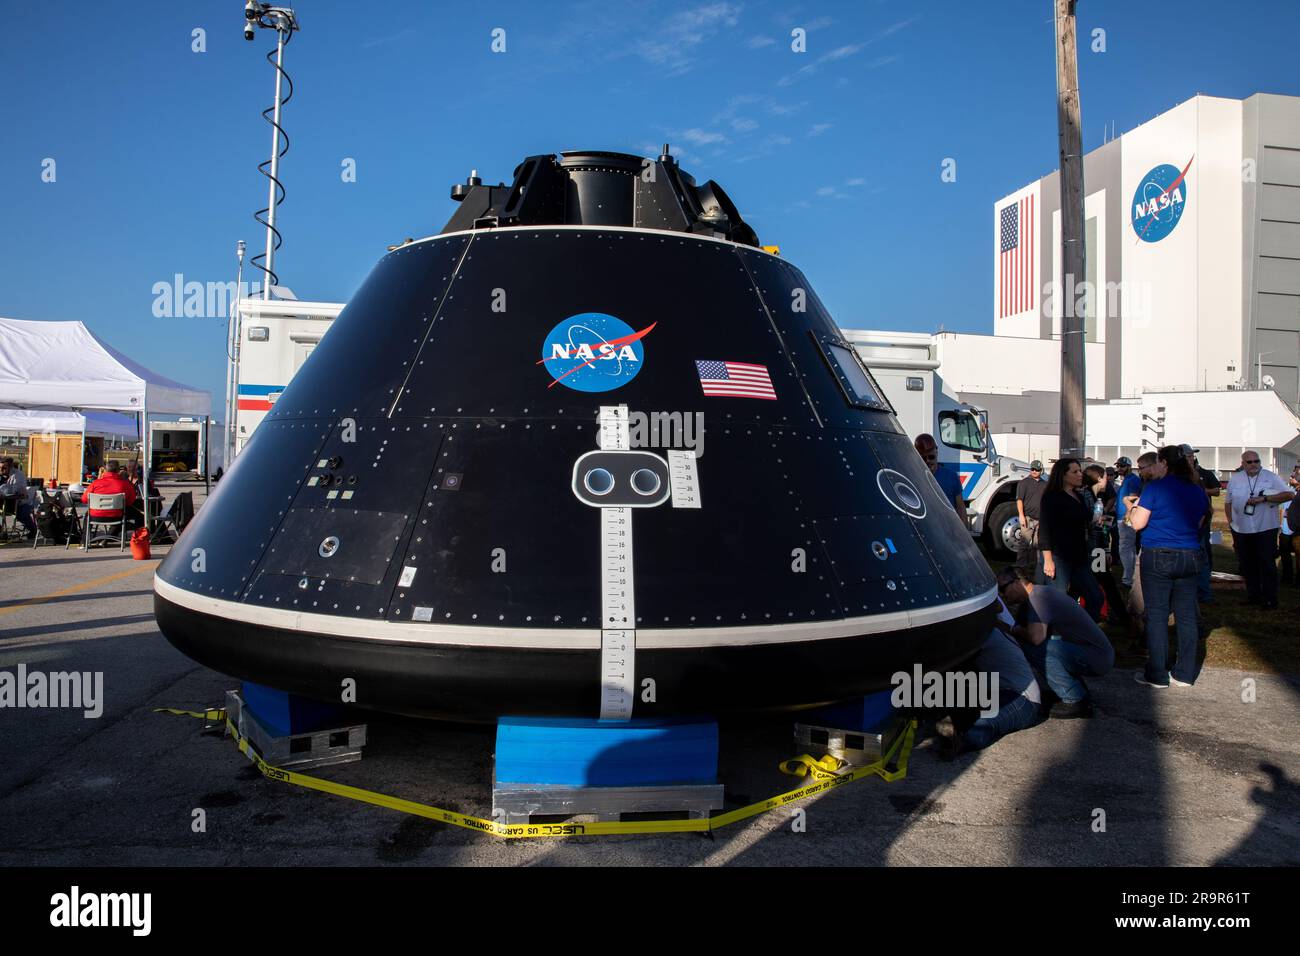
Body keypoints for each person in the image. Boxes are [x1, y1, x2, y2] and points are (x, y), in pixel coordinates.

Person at [1128, 446, 1207, 687]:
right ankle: (1184, 673)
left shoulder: (1155, 488)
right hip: (1190, 554)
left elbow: (1138, 524)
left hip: (1159, 554)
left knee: (1158, 615)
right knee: (1185, 616)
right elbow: (1200, 521)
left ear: (1163, 463)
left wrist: (1132, 507)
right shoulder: (1197, 490)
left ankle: (1157, 673)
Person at [996, 566, 1114, 718]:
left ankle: (1075, 699)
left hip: (1097, 657)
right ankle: (1075, 690)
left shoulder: (1038, 599)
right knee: (1044, 645)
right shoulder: (1037, 596)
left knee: (1035, 648)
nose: (1003, 595)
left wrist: (1011, 628)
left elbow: (1035, 638)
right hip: (1094, 653)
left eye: (1002, 589)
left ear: (1017, 583)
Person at [940, 595, 1047, 755]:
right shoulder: (989, 630)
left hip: (1024, 701)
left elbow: (951, 663)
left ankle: (962, 741)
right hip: (1003, 692)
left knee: (979, 728)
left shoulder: (983, 635)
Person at [1224, 451, 1294, 610]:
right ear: (1243, 463)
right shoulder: (1235, 479)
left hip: (1265, 527)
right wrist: (1231, 523)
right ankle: (1253, 595)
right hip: (1242, 529)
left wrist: (1265, 498)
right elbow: (1227, 503)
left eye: (1256, 461)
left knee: (1267, 563)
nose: (1253, 464)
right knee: (1247, 564)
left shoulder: (1271, 477)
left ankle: (1270, 598)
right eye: (1249, 462)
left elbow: (1290, 494)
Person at [1037, 457, 1106, 622]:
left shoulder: (1078, 496)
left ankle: (1083, 633)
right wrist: (1047, 560)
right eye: (1075, 471)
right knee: (1058, 601)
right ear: (1063, 475)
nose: (1080, 474)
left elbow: (1086, 518)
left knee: (1095, 596)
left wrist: (1096, 518)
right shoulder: (1052, 497)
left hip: (1078, 556)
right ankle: (1055, 638)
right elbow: (1045, 529)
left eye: (1080, 470)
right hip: (1058, 557)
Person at [1082, 463, 1128, 625]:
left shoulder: (1096, 497)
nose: (1107, 480)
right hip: (1090, 551)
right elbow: (1088, 526)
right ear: (1099, 479)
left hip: (1098, 549)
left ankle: (1121, 618)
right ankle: (1121, 619)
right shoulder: (1086, 497)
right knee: (1100, 585)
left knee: (1107, 583)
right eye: (1105, 477)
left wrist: (1106, 550)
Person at [1180, 444, 1220, 603]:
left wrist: (1201, 492)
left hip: (1200, 522)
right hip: (1183, 523)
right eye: (1187, 456)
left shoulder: (1202, 474)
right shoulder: (1176, 476)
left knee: (1202, 556)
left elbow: (1216, 491)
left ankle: (1204, 592)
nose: (1191, 458)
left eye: (1192, 455)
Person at [913, 433, 968, 525]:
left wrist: (964, 534)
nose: (928, 461)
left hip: (948, 529)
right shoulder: (914, 477)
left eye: (931, 457)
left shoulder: (951, 476)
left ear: (936, 453)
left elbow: (960, 507)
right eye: (923, 458)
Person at [1114, 456, 1142, 587]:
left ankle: (1128, 579)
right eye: (1118, 466)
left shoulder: (1132, 480)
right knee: (1127, 548)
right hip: (1122, 517)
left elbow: (1135, 498)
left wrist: (1128, 517)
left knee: (1126, 548)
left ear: (1129, 467)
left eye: (1122, 466)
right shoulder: (1126, 480)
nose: (1119, 468)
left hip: (1127, 517)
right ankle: (1129, 577)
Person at [1015, 460, 1046, 575]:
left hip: (1040, 519)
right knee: (1024, 543)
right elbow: (1019, 500)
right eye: (1032, 469)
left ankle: (1034, 567)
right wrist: (1021, 516)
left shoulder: (1045, 484)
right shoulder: (1023, 483)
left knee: (1037, 545)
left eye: (1036, 469)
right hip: (1028, 518)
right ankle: (1020, 568)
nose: (1034, 471)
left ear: (1041, 470)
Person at [0, 457, 36, 537]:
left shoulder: (18, 475)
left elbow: (14, 491)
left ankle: (33, 529)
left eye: (4, 468)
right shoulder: (1, 475)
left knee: (21, 513)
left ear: (10, 467)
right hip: (4, 502)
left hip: (20, 502)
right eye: (0, 468)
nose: (1, 470)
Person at [1280, 465, 1300, 588]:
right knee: (1285, 554)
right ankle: (1287, 577)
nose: (1291, 478)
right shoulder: (1288, 492)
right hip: (1286, 529)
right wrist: (1280, 526)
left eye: (1293, 477)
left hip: (1297, 530)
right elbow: (1282, 510)